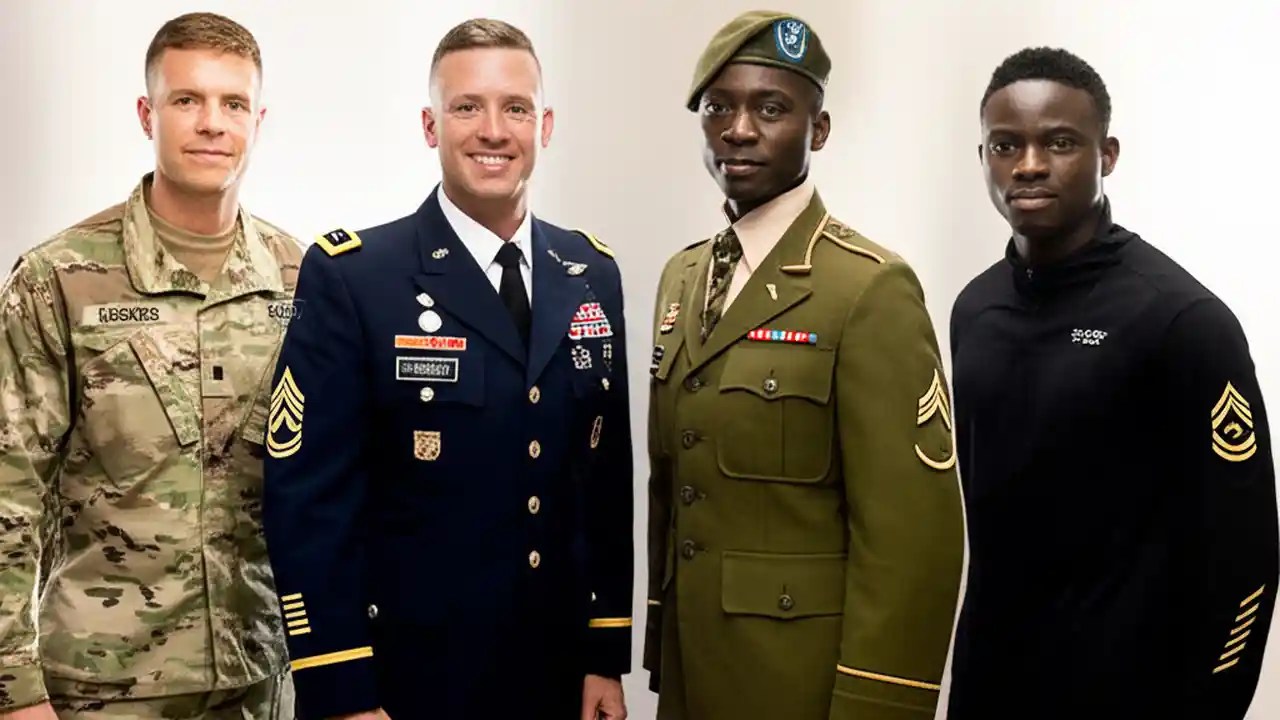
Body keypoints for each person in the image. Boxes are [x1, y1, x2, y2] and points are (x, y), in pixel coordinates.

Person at [259, 18, 633, 720]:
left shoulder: (589, 274)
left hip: (555, 680)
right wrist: (341, 689)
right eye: (467, 107)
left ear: (544, 126)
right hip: (406, 683)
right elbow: (307, 503)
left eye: (515, 108)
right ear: (431, 126)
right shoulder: (357, 278)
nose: (493, 130)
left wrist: (604, 654)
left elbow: (603, 487)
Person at [643, 11, 965, 720]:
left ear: (817, 131)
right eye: (718, 107)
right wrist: (660, 638)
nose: (739, 129)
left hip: (803, 689)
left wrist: (878, 707)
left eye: (770, 108)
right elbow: (673, 487)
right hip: (696, 678)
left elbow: (914, 540)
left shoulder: (867, 289)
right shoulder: (683, 277)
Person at [947, 46, 1279, 719]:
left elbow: (1248, 562)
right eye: (1006, 144)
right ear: (983, 157)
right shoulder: (974, 310)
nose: (1030, 165)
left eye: (1060, 142)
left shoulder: (1180, 319)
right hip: (991, 689)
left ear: (1108, 154)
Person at [0, 11, 302, 720]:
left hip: (259, 681)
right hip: (101, 688)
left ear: (258, 120)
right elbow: (9, 490)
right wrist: (13, 690)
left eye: (233, 104)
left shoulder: (303, 280)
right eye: (186, 100)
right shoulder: (61, 279)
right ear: (148, 113)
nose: (211, 123)